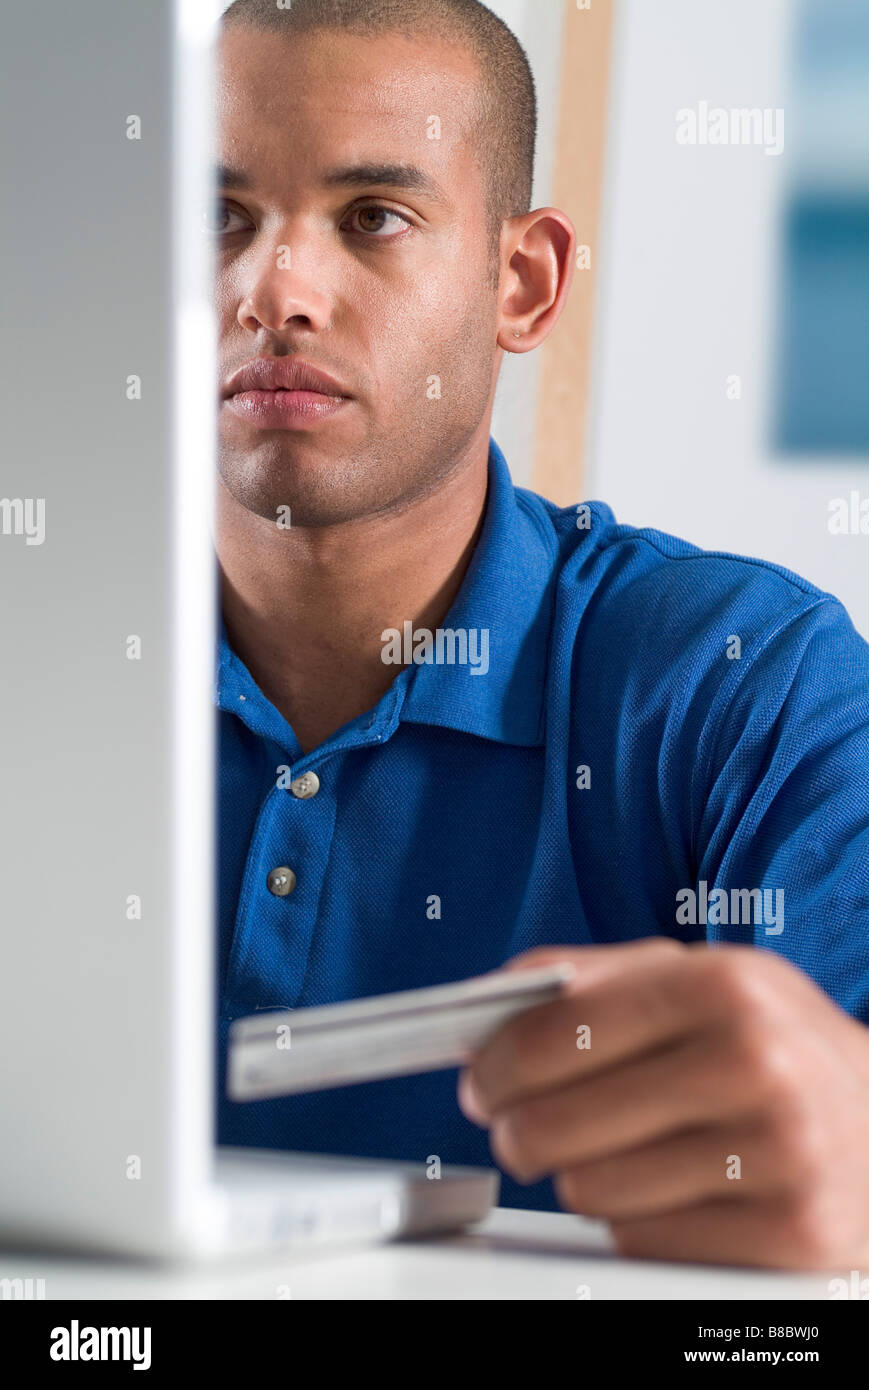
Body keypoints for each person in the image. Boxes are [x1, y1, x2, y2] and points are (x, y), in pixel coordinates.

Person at [213, 0, 869, 1268]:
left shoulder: (748, 686)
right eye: (218, 219)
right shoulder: (49, 674)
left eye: (372, 217)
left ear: (522, 284)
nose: (272, 288)